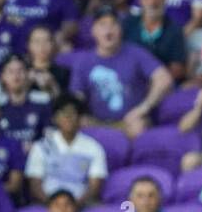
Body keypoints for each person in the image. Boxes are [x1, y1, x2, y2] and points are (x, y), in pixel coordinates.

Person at [70, 8, 173, 138]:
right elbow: (77, 95)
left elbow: (164, 79)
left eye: (113, 24)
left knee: (139, 127)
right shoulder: (84, 61)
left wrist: (143, 109)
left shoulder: (135, 53)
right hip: (95, 122)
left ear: (120, 29)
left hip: (129, 122)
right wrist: (80, 114)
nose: (108, 30)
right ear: (93, 31)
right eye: (102, 25)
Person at [24, 94, 107, 208]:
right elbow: (35, 184)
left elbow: (94, 186)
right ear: (55, 118)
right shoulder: (41, 147)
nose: (68, 118)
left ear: (79, 118)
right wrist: (55, 206)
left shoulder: (93, 148)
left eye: (72, 113)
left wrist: (74, 206)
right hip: (49, 204)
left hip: (81, 205)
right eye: (63, 113)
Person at [122, 0, 188, 83]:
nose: (153, 0)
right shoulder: (127, 24)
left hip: (163, 84)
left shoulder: (174, 29)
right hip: (131, 82)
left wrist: (156, 80)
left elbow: (178, 69)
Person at [0, 54, 50, 151]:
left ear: (27, 74)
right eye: (11, 72)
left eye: (20, 71)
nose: (16, 76)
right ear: (3, 77)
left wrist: (36, 149)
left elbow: (50, 137)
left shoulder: (42, 101)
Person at [113, 176, 188, 212]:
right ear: (131, 200)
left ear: (160, 198)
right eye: (139, 196)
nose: (145, 201)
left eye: (151, 195)